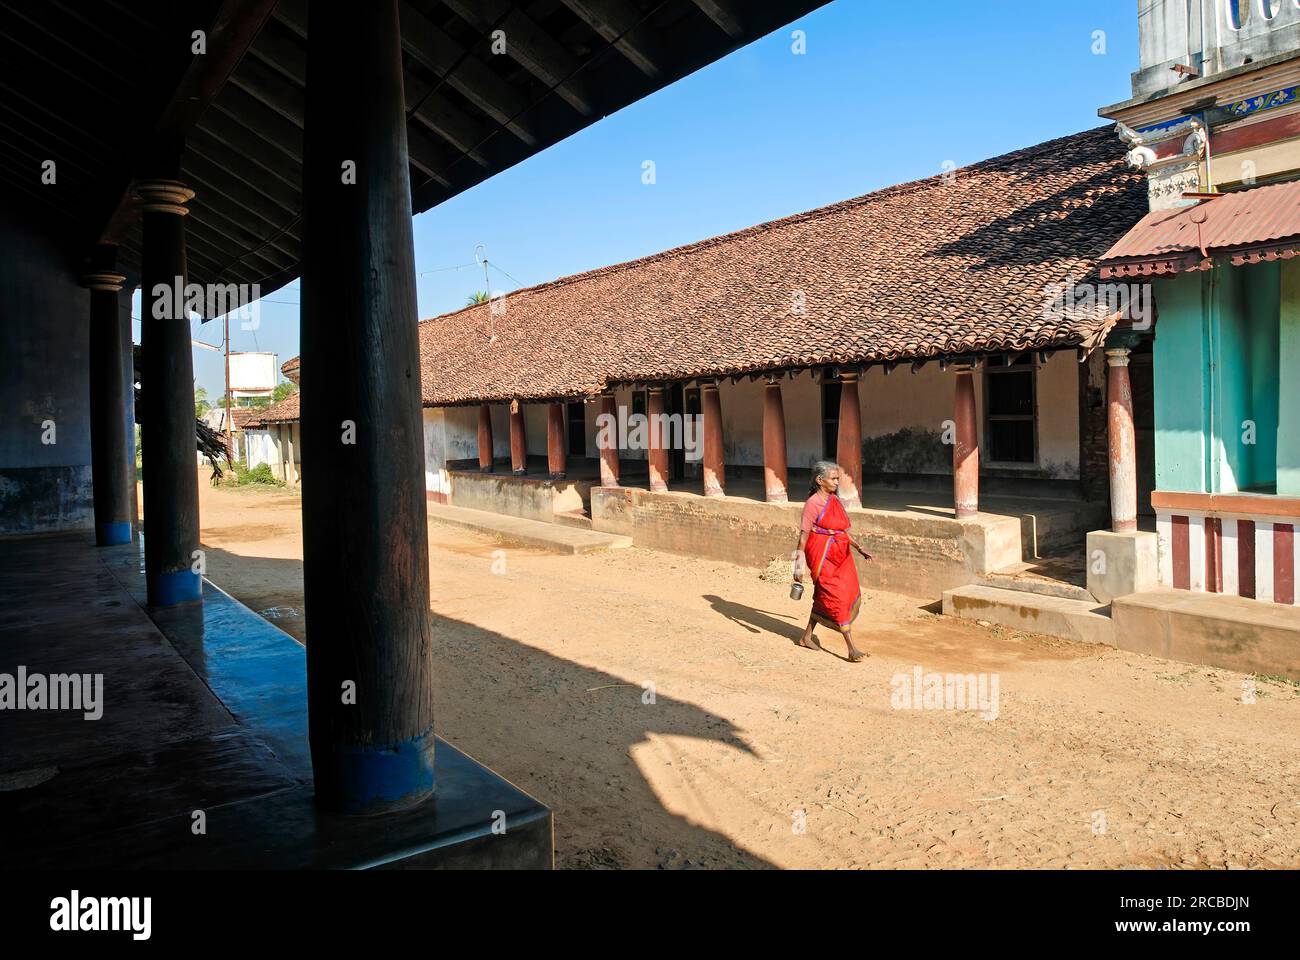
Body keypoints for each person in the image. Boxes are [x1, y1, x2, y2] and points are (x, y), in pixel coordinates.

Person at [792, 460, 872, 662]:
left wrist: (859, 547)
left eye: (838, 478)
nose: (837, 482)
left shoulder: (833, 500)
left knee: (824, 595)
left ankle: (806, 637)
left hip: (839, 555)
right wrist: (798, 566)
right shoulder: (812, 504)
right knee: (836, 597)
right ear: (820, 480)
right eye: (833, 478)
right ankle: (852, 648)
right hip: (821, 555)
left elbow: (841, 531)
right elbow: (802, 537)